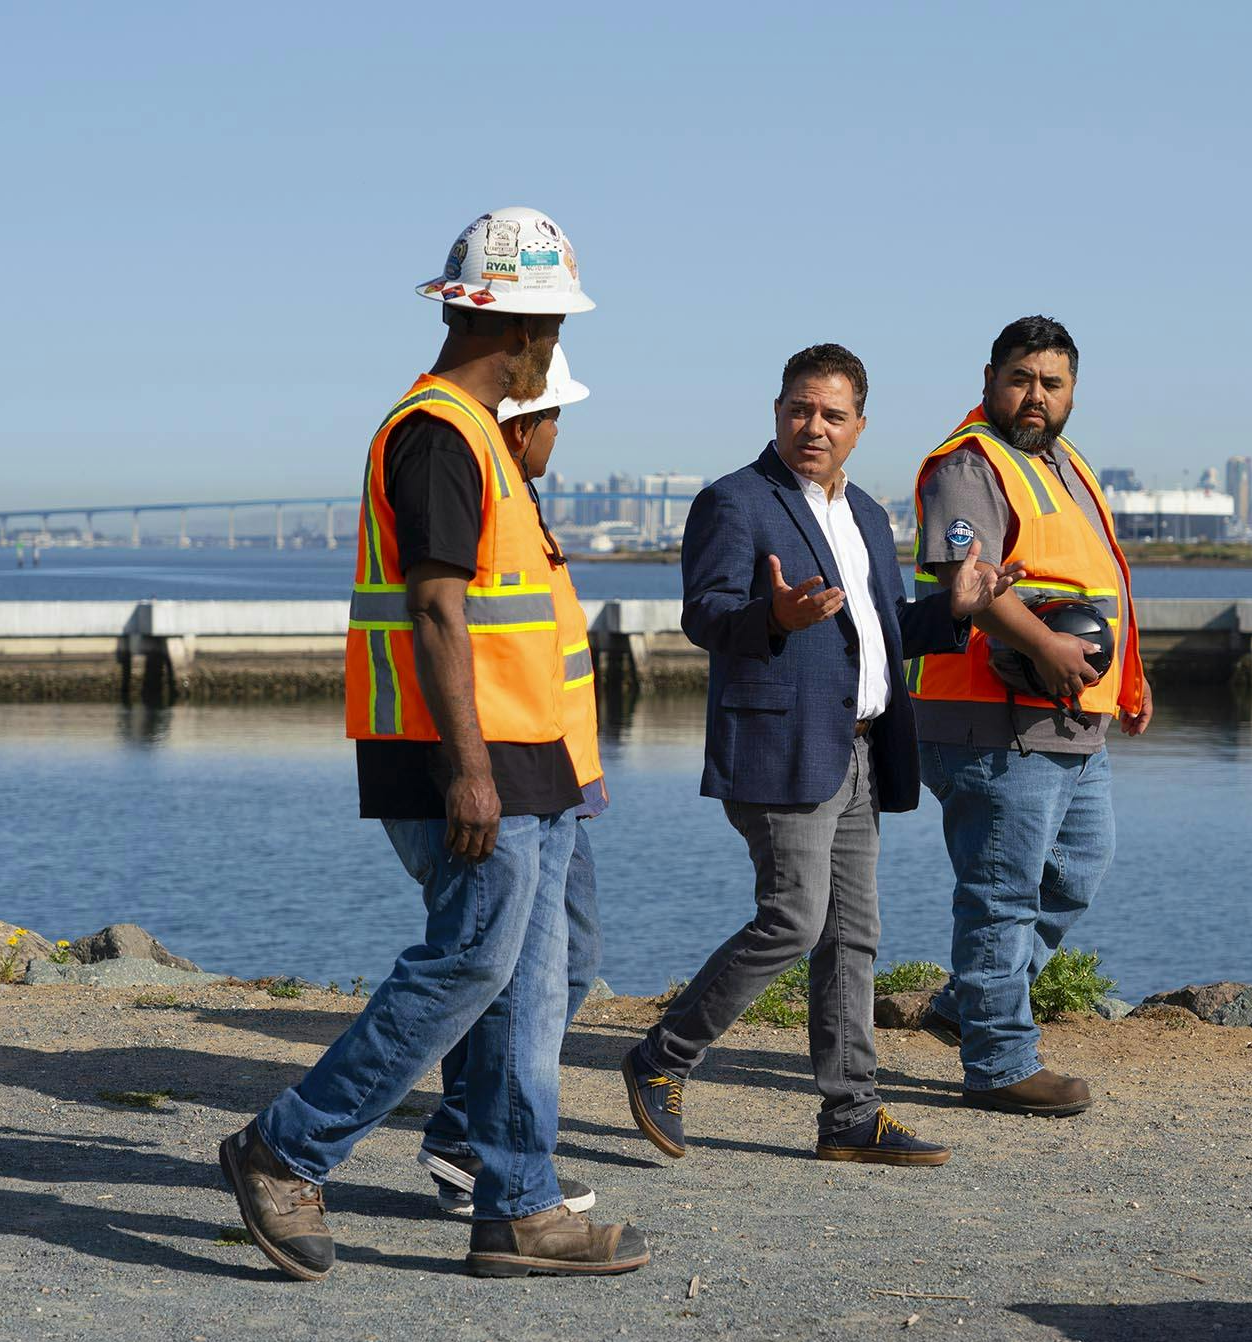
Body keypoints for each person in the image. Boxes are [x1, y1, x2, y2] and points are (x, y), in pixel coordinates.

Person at [219, 208, 649, 1281]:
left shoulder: (481, 444)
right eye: (552, 325)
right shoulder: (439, 436)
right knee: (470, 962)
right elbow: (439, 611)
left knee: (530, 986)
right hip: (470, 760)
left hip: (529, 762)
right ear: (525, 325)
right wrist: (468, 767)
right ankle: (286, 1145)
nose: (555, 349)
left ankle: (517, 1202)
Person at [621, 343, 1021, 1166]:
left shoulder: (869, 515)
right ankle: (661, 1056)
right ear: (776, 413)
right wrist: (775, 617)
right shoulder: (735, 502)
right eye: (800, 409)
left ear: (859, 427)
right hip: (779, 742)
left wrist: (955, 609)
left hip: (862, 749)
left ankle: (851, 1114)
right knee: (794, 919)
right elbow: (706, 616)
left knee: (853, 935)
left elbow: (881, 632)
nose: (814, 426)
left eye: (832, 414)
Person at [908, 315, 1154, 1117]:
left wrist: (1127, 684)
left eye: (1051, 382)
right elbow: (968, 581)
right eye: (1021, 378)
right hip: (993, 717)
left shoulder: (1061, 462)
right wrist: (1046, 645)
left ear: (1073, 390)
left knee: (1080, 865)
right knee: (1001, 892)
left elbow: (1097, 581)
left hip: (1070, 714)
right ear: (990, 378)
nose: (1035, 395)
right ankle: (1000, 1061)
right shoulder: (969, 464)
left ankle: (966, 1004)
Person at [414, 345, 610, 1217]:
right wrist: (472, 774)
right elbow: (440, 616)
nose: (560, 435)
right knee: (495, 973)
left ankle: (484, 1152)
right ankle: (477, 1154)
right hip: (503, 772)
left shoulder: (518, 501)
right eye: (558, 419)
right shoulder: (457, 456)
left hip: (553, 773)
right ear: (529, 423)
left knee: (553, 970)